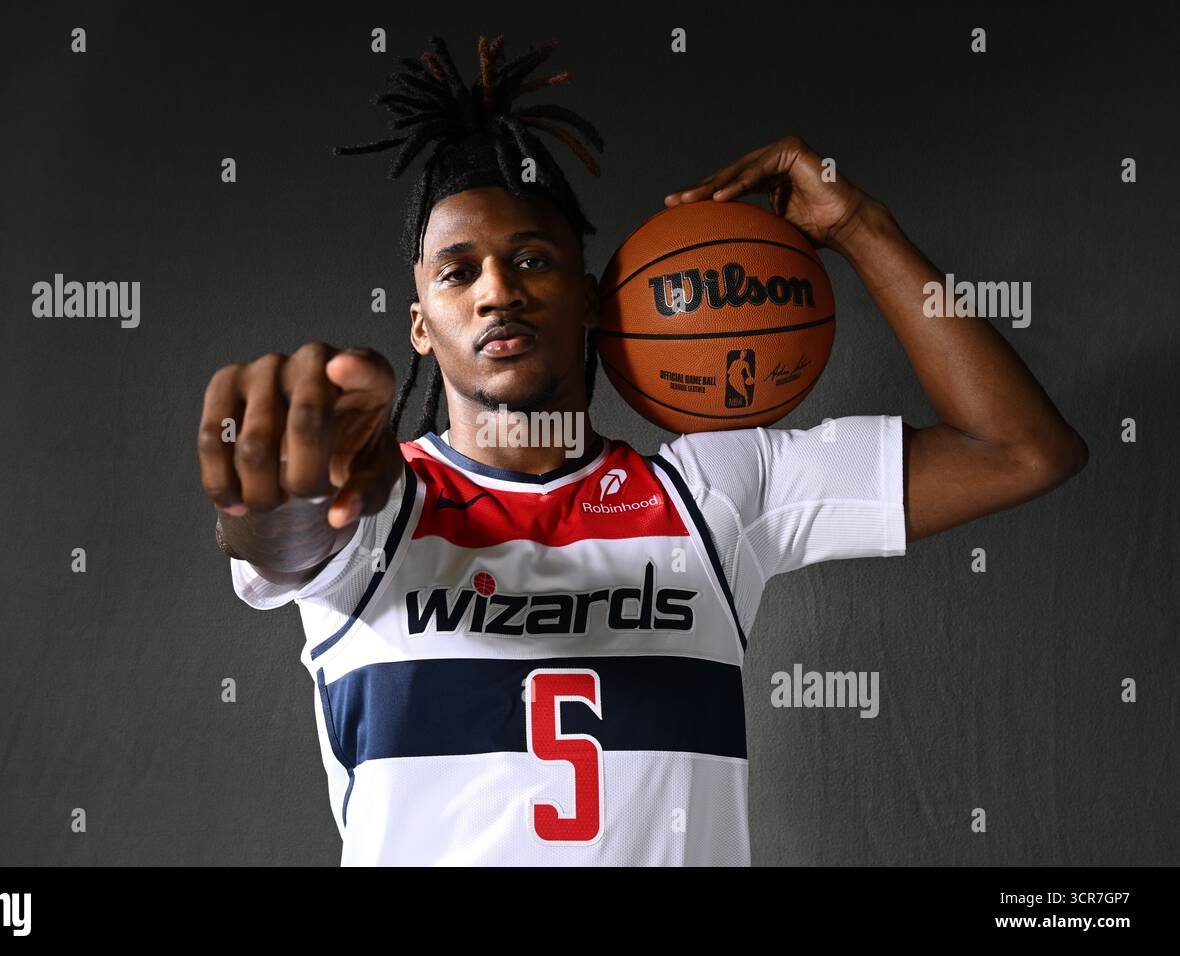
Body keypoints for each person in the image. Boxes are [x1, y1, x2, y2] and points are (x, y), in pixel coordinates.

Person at [197, 35, 1087, 865]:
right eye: (457, 270)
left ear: (589, 299)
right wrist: (275, 496)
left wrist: (858, 225)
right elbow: (288, 539)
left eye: (532, 259)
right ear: (421, 325)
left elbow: (1018, 449)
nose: (497, 289)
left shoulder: (714, 492)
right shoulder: (383, 510)